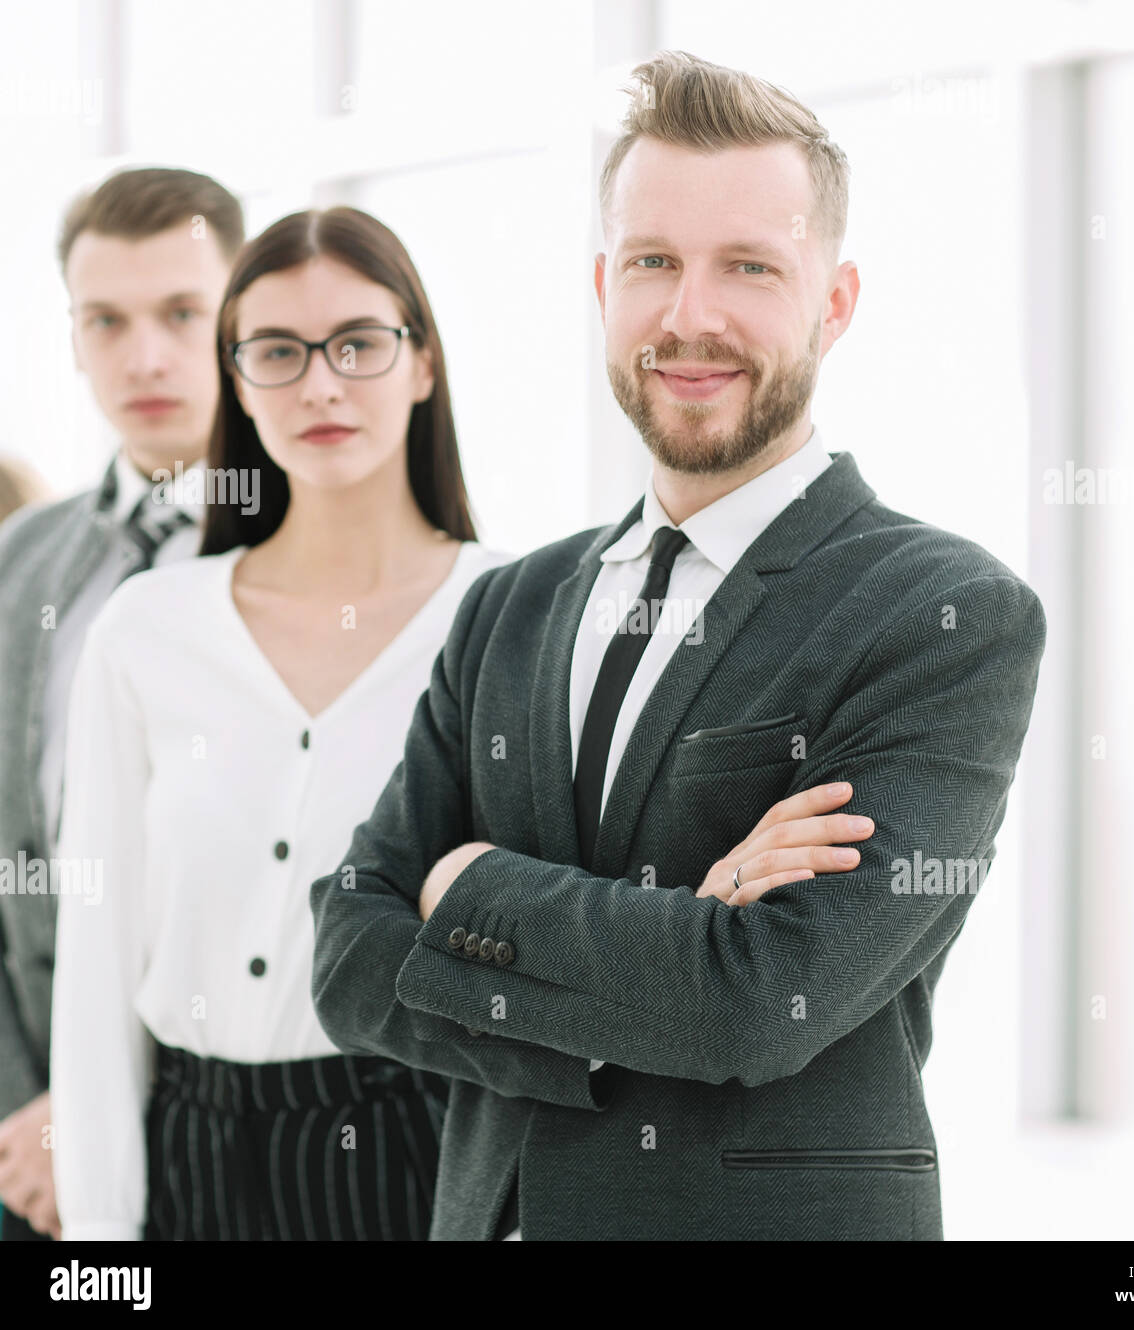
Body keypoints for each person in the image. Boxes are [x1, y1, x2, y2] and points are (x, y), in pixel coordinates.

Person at [310, 50, 1046, 1241]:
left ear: (834, 303)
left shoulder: (943, 614)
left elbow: (758, 999)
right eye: (653, 261)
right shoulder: (509, 605)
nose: (689, 315)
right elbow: (349, 958)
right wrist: (666, 958)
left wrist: (466, 887)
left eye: (749, 266)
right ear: (604, 284)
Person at [49, 206, 516, 1240]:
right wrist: (98, 1241)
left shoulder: (514, 616)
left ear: (422, 362)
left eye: (357, 343)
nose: (319, 384)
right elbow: (95, 965)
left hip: (417, 1148)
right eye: (276, 351)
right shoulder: (146, 630)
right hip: (191, 1154)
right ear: (238, 377)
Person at [0, 167, 243, 1242]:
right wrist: (30, 1107)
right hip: (28, 1151)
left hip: (245, 1129)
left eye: (182, 314)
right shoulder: (22, 562)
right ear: (71, 337)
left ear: (241, 323)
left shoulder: (312, 554)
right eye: (106, 320)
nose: (143, 356)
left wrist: (102, 1107)